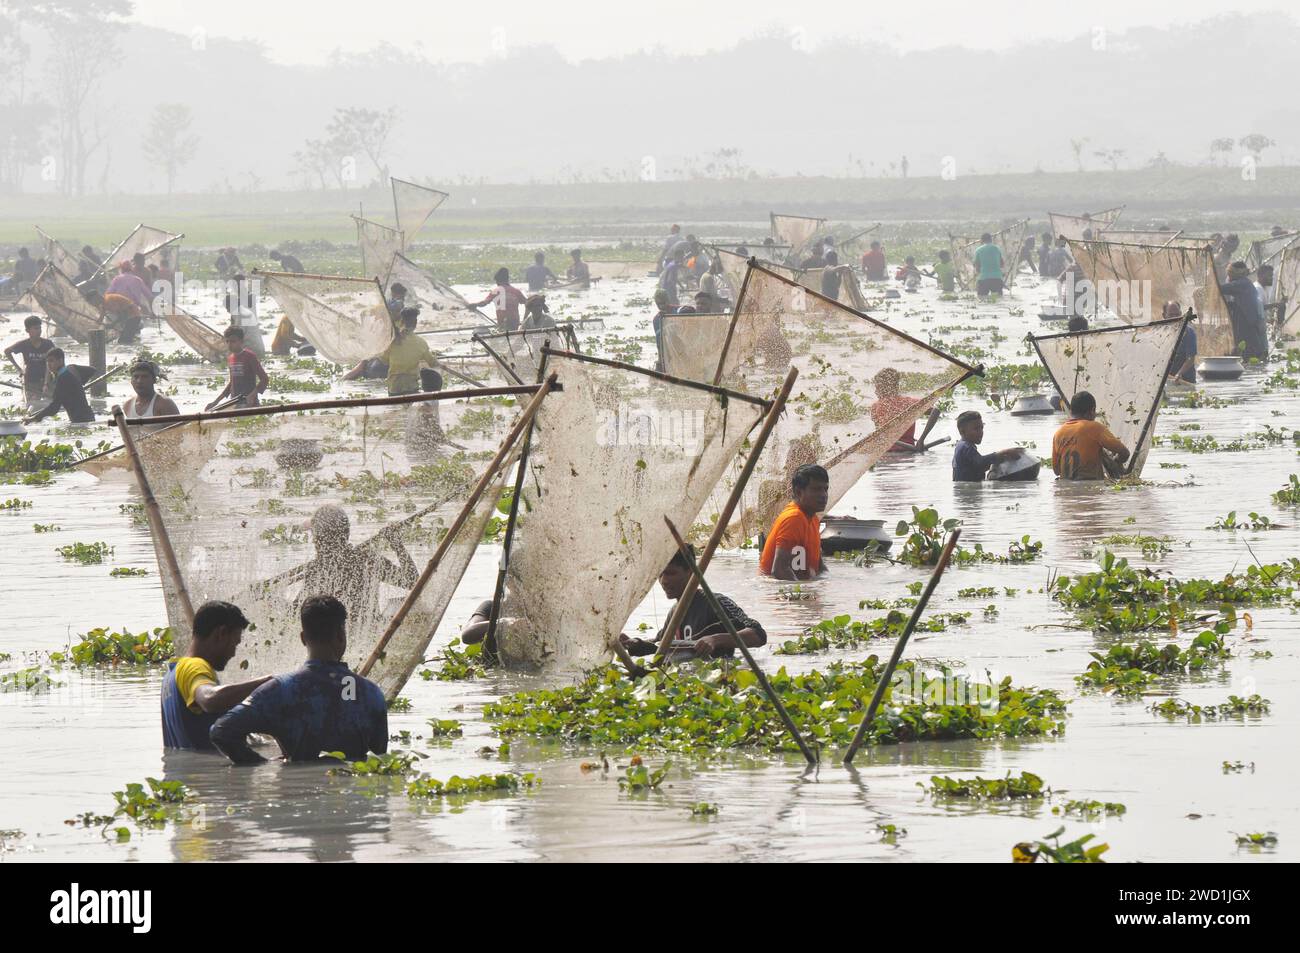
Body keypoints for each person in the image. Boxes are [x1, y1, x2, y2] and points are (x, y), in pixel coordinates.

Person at [209, 596, 388, 765]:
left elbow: (221, 731)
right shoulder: (371, 693)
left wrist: (262, 764)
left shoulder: (278, 690)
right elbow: (379, 755)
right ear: (341, 636)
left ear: (303, 638)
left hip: (298, 794)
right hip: (353, 793)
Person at [618, 545, 767, 660]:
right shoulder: (674, 613)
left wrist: (715, 640)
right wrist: (635, 643)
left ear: (690, 573)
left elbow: (758, 634)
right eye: (660, 574)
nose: (664, 581)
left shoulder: (714, 603)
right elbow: (660, 645)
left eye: (671, 573)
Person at [161, 600, 272, 751]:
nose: (233, 653)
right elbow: (210, 699)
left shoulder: (170, 674)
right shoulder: (193, 666)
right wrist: (266, 683)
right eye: (235, 643)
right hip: (204, 774)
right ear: (221, 633)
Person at [297, 506, 418, 627]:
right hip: (370, 630)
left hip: (333, 638)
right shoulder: (368, 559)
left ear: (321, 539)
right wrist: (396, 544)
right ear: (347, 533)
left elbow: (296, 610)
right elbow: (413, 581)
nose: (313, 541)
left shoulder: (316, 569)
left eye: (314, 535)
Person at [759, 463, 829, 580]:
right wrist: (801, 595)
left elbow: (820, 567)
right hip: (776, 592)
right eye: (816, 489)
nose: (824, 495)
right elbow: (779, 570)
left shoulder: (813, 519)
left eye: (825, 489)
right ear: (798, 492)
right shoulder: (794, 518)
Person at [1051, 390, 1130, 480]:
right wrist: (1116, 462)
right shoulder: (1094, 427)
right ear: (1092, 411)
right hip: (1090, 488)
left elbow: (1056, 470)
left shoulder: (1058, 433)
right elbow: (1124, 453)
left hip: (1065, 489)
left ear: (1071, 410)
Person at [870, 366, 939, 452]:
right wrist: (922, 439)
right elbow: (936, 411)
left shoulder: (875, 407)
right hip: (908, 451)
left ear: (883, 387)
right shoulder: (908, 403)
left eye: (877, 387)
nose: (875, 391)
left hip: (886, 454)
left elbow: (879, 437)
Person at [24, 348, 94, 424]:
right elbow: (91, 370)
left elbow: (54, 407)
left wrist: (33, 418)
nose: (48, 364)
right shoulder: (67, 372)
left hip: (81, 420)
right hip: (84, 418)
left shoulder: (63, 378)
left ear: (60, 361)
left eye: (51, 361)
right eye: (47, 361)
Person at [207, 326, 268, 410]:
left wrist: (251, 396)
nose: (229, 344)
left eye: (233, 341)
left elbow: (264, 379)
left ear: (241, 341)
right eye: (227, 341)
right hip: (235, 402)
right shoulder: (231, 358)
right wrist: (215, 402)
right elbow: (232, 383)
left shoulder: (249, 356)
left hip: (250, 404)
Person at [951, 410, 1021, 481]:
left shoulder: (961, 446)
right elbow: (980, 464)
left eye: (981, 428)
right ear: (962, 431)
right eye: (976, 429)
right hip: (968, 491)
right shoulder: (965, 447)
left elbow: (978, 465)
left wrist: (999, 459)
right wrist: (1003, 453)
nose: (980, 432)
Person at [1220, 261, 1269, 360]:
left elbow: (1221, 288)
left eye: (1230, 274)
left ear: (1236, 274)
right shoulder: (1244, 284)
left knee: (1250, 355)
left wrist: (1211, 283)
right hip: (1247, 326)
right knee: (1248, 355)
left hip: (1247, 328)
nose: (1228, 278)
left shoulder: (1243, 283)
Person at [382, 307, 435, 396]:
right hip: (411, 387)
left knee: (395, 409)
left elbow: (384, 360)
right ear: (415, 323)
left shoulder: (392, 341)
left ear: (401, 321)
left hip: (394, 387)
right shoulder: (421, 343)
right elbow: (432, 363)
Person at [5, 315, 54, 405]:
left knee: (50, 403)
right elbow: (7, 351)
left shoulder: (48, 344)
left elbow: (49, 365)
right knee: (32, 404)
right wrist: (19, 369)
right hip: (31, 380)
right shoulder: (24, 344)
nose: (38, 331)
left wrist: (46, 384)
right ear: (27, 330)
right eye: (35, 328)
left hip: (46, 378)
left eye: (39, 328)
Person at [121, 359, 180, 429]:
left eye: (144, 377)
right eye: (136, 377)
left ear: (154, 380)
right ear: (131, 381)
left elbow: (178, 435)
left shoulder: (165, 404)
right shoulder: (127, 405)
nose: (139, 381)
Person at [104, 262, 152, 343]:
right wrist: (152, 312)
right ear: (131, 269)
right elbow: (149, 296)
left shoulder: (117, 279)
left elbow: (108, 294)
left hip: (121, 312)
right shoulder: (138, 280)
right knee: (134, 336)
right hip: (135, 313)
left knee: (122, 338)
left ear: (121, 269)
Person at [1166, 302, 1198, 384]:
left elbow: (1190, 359)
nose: (1174, 318)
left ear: (1181, 314)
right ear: (1165, 316)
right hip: (1167, 381)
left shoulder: (1188, 333)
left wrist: (1179, 374)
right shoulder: (1161, 334)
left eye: (1176, 315)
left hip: (1185, 381)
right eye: (1171, 315)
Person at [973, 233, 1004, 299]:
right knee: (998, 300)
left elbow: (977, 267)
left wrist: (979, 277)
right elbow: (1002, 264)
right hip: (997, 279)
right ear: (991, 239)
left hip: (984, 279)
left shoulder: (978, 250)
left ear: (981, 241)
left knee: (981, 299)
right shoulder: (997, 249)